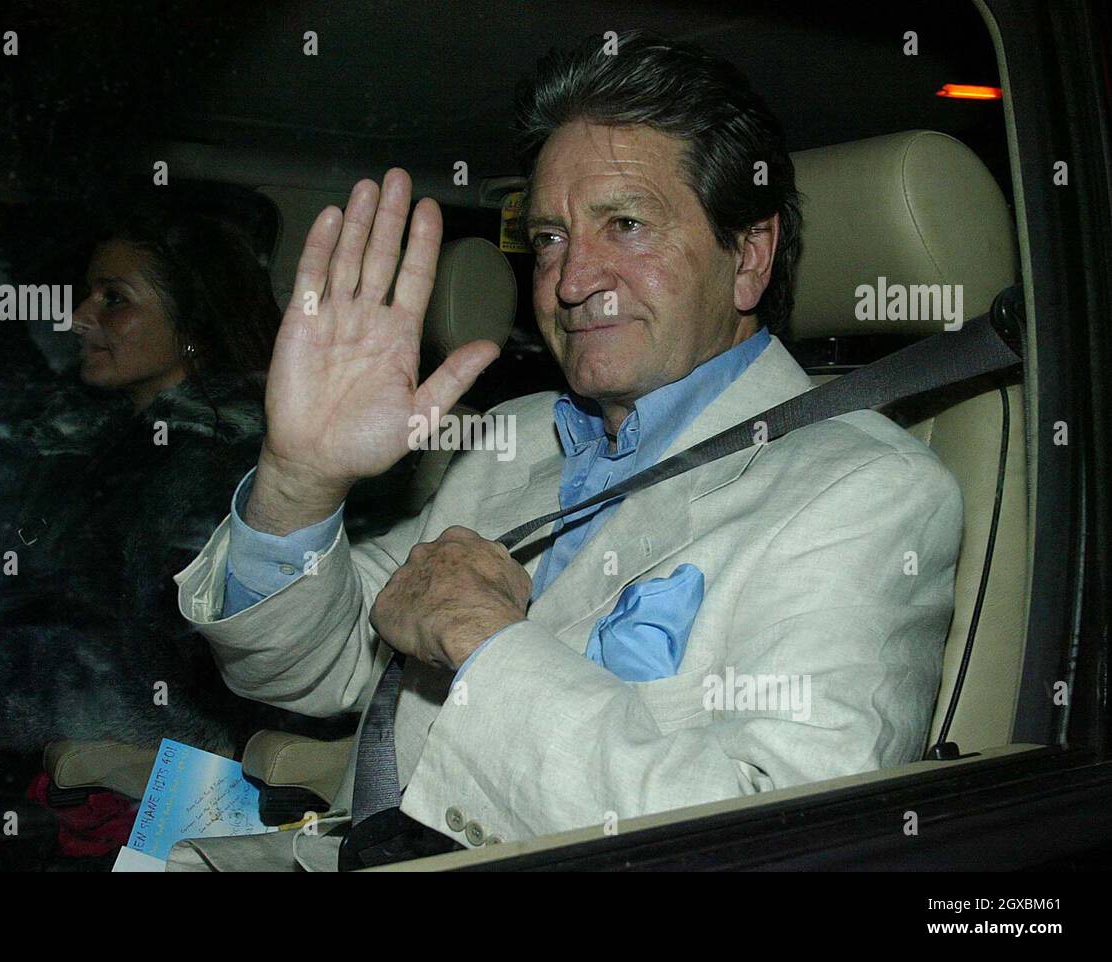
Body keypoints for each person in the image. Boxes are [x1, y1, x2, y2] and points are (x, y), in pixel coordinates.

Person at [174, 32, 963, 870]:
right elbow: (310, 667)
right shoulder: (511, 438)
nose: (571, 279)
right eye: (550, 237)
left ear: (748, 259)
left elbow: (779, 844)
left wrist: (483, 643)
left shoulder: (868, 491)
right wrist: (300, 482)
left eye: (624, 224)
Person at [0, 206, 286, 757]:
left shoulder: (213, 474)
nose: (78, 317)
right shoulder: (83, 441)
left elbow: (183, 687)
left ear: (192, 325)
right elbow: (76, 608)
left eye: (114, 300)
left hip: (124, 795)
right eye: (88, 295)